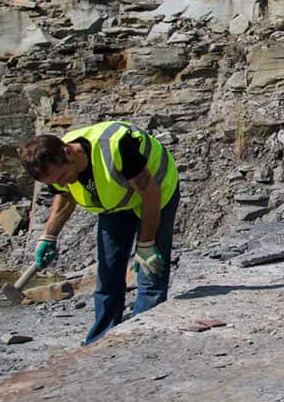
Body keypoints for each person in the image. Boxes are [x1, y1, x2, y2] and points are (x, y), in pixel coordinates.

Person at [17, 121, 180, 344]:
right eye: (54, 182)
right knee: (108, 272)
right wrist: (49, 235)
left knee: (150, 269)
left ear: (68, 152)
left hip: (157, 191)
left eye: (62, 176)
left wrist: (146, 244)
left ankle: (142, 338)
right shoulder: (56, 166)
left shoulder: (116, 146)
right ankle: (101, 341)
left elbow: (149, 194)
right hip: (114, 203)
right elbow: (64, 196)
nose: (62, 183)